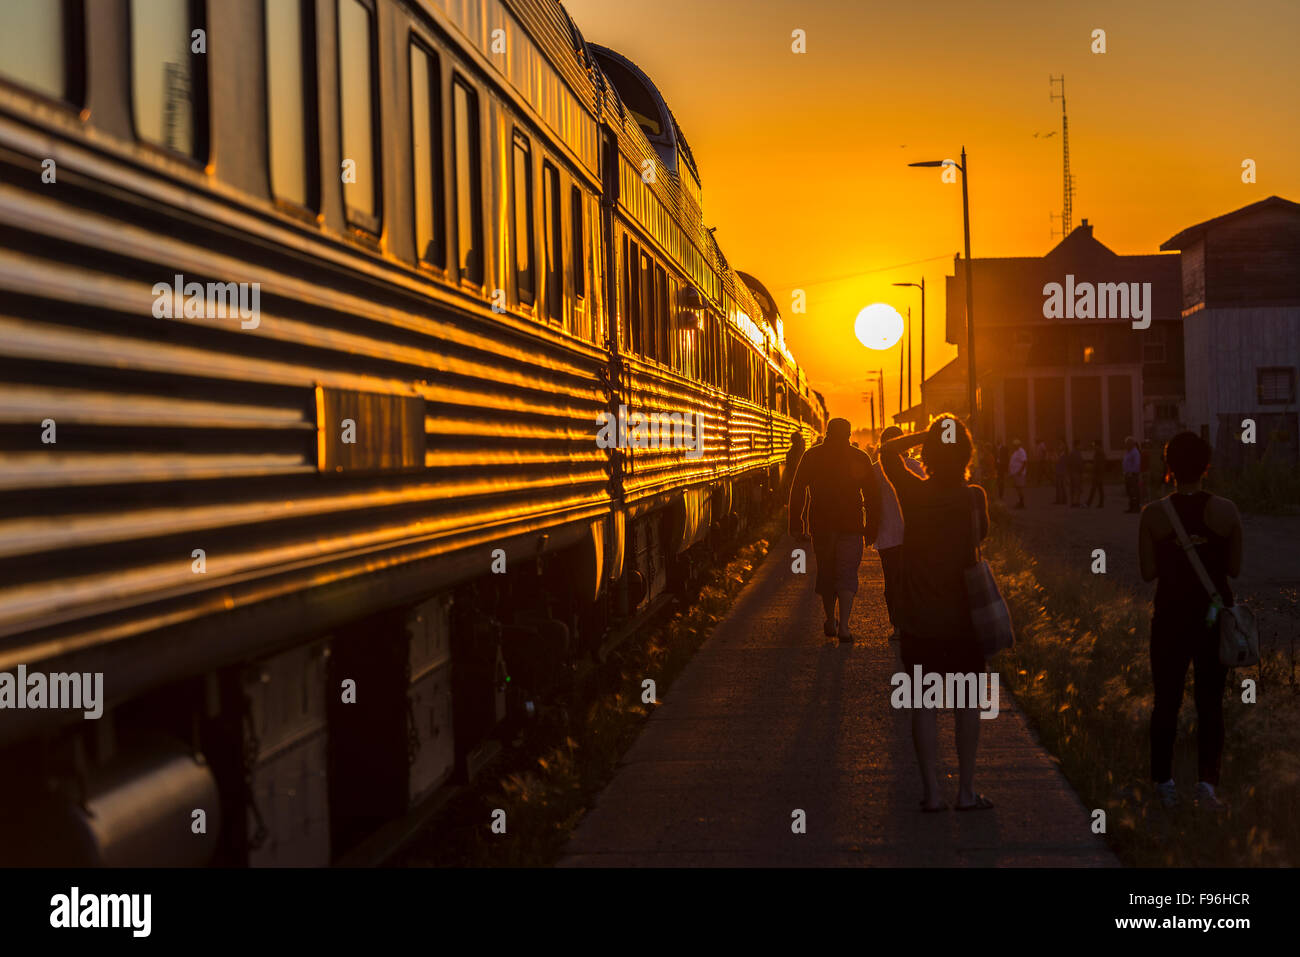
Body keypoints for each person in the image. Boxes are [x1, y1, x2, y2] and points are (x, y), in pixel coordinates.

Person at [880, 415, 992, 813]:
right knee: (966, 703)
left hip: (920, 616)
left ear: (925, 453)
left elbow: (887, 450)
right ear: (965, 453)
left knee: (923, 704)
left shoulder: (911, 492)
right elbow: (980, 539)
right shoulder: (973, 497)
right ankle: (965, 792)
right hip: (964, 619)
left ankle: (932, 794)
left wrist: (925, 435)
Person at [1138, 432, 1243, 811]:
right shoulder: (1228, 512)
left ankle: (1164, 784)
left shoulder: (1152, 514)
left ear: (1168, 467)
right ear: (1206, 467)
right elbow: (1234, 568)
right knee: (1210, 702)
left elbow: (1148, 572)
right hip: (1213, 620)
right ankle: (1207, 786)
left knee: (1166, 701)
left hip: (1169, 619)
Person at [788, 418, 880, 643]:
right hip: (852, 525)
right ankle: (845, 626)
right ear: (849, 434)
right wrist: (871, 528)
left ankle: (830, 620)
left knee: (827, 571)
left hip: (822, 526)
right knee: (847, 573)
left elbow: (798, 489)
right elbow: (872, 496)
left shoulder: (812, 456)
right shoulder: (859, 457)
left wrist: (796, 525)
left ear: (827, 433)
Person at [874, 427, 907, 639]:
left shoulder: (874, 470)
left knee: (892, 582)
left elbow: (867, 501)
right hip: (913, 537)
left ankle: (897, 626)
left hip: (885, 535)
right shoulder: (916, 467)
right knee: (911, 581)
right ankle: (911, 624)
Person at [1085, 439, 1106, 507]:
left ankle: (1088, 503)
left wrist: (1091, 466)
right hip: (1099, 473)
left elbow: (1098, 464)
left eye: (1094, 445)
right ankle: (1101, 503)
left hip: (1097, 474)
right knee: (1100, 489)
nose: (1093, 447)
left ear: (1098, 445)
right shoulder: (1100, 452)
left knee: (1093, 489)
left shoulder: (1099, 453)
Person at [1123, 437, 1142, 513]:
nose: (1126, 445)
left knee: (1134, 491)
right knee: (1130, 492)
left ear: (1131, 444)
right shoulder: (1129, 452)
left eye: (1127, 444)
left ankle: (1136, 508)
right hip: (1128, 474)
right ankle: (1131, 507)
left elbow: (1137, 464)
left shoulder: (1135, 452)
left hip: (1132, 475)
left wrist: (1132, 472)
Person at [1008, 438, 1027, 509]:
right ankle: (1020, 501)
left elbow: (1024, 462)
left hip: (1019, 473)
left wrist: (1020, 471)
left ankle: (1022, 503)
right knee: (1017, 488)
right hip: (1015, 473)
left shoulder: (1021, 451)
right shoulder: (1016, 452)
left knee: (1020, 488)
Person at [1053, 438, 1068, 505]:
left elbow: (1060, 463)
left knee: (1062, 487)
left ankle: (1063, 500)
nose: (1059, 446)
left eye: (1061, 444)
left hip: (1061, 472)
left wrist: (1056, 458)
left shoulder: (1064, 455)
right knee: (1058, 487)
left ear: (1064, 446)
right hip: (1058, 472)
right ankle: (1059, 500)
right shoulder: (1060, 454)